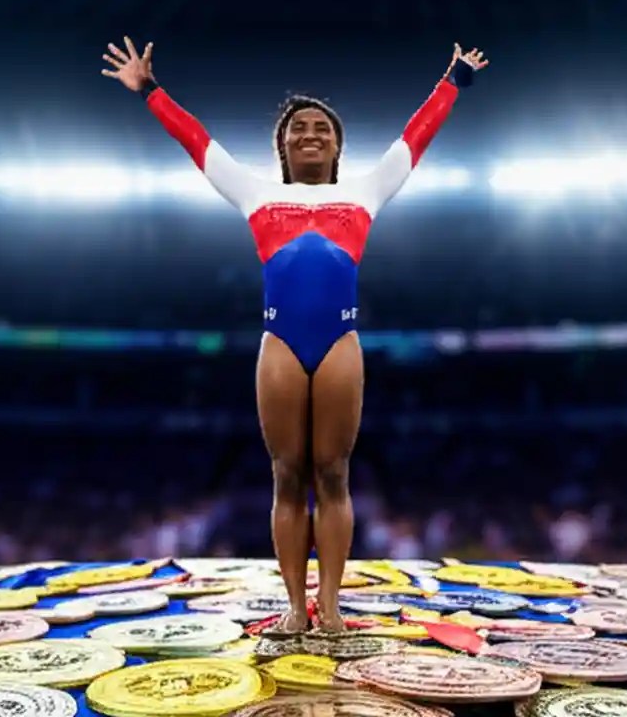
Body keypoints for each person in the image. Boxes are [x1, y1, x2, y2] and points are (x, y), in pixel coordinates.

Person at [102, 37, 489, 632]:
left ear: (338, 146)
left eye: (323, 128)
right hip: (279, 344)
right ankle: (293, 608)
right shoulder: (258, 192)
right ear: (281, 146)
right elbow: (196, 141)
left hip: (339, 344)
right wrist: (149, 90)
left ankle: (330, 606)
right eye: (298, 127)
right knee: (287, 474)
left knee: (333, 472)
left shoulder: (365, 191)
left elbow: (416, 137)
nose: (310, 133)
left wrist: (453, 79)